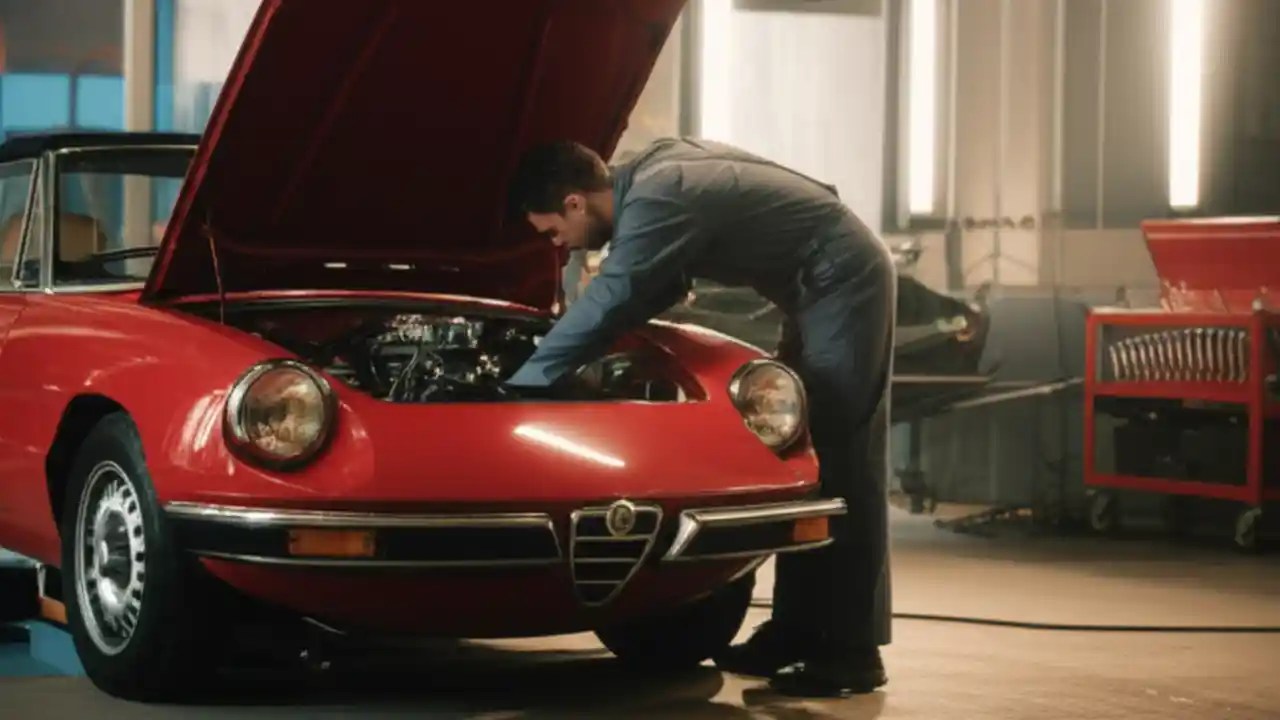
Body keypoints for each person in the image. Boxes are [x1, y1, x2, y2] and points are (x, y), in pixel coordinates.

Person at [504, 138, 896, 698]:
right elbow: (650, 285)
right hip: (812, 283)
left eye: (552, 232)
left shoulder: (663, 196)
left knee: (838, 458)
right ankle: (796, 630)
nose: (558, 245)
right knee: (801, 464)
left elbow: (618, 294)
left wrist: (524, 381)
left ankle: (852, 651)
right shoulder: (645, 181)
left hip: (843, 278)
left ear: (574, 203)